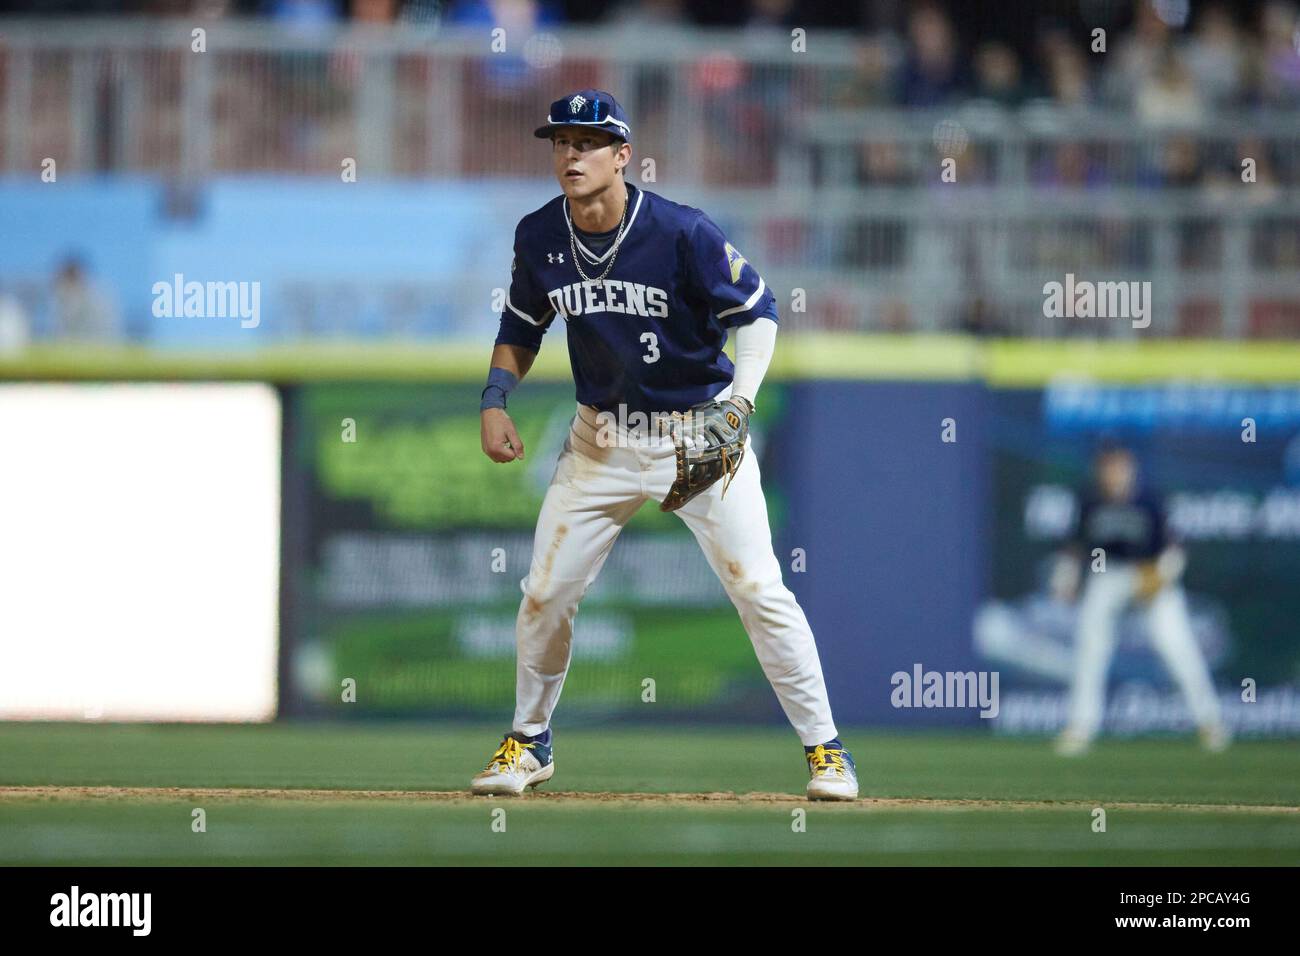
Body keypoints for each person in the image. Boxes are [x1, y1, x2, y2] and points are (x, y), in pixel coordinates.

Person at [470, 90, 856, 800]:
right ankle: (528, 742)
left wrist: (740, 405)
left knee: (758, 589)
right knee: (545, 592)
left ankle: (827, 751)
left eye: (587, 143)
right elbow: (522, 327)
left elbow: (759, 311)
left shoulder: (681, 232)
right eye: (561, 142)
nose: (571, 154)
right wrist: (495, 399)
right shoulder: (538, 235)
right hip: (600, 442)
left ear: (623, 156)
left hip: (698, 434)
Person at [1052, 443, 1230, 755]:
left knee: (1176, 645)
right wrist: (1066, 578)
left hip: (1150, 574)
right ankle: (1081, 726)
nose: (1114, 474)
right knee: (1090, 646)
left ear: (1131, 468)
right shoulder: (1089, 500)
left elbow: (1175, 549)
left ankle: (1210, 723)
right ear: (1100, 471)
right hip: (1107, 574)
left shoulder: (1150, 500)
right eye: (1108, 467)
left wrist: (1160, 576)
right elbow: (1075, 545)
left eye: (1119, 466)